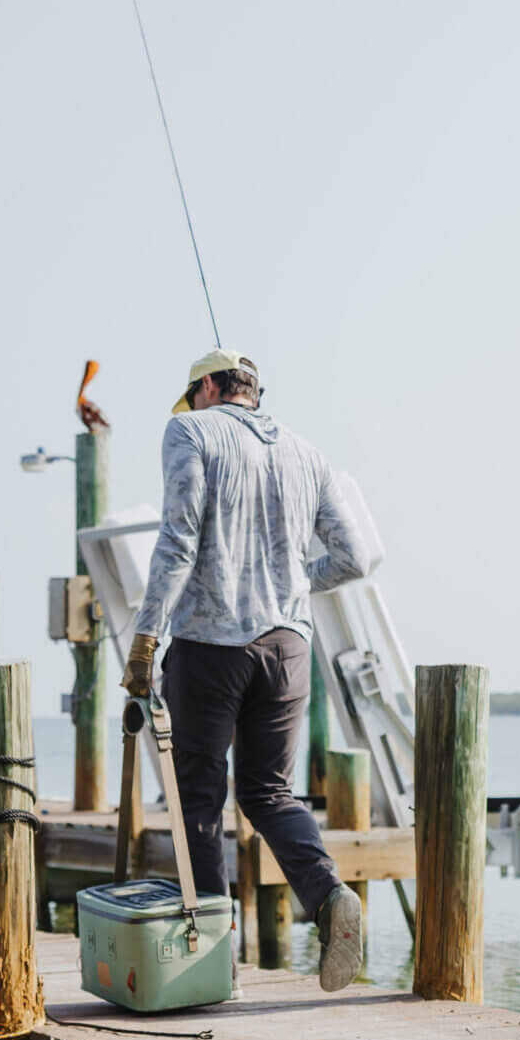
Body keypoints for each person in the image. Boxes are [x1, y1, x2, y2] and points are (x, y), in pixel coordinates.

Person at [123, 349, 372, 991]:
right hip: (288, 646)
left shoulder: (189, 431)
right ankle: (329, 896)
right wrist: (291, 585)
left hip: (211, 645)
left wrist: (145, 640)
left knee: (200, 797)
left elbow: (177, 538)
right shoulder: (308, 451)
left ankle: (210, 964)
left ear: (207, 387)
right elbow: (356, 555)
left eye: (193, 395)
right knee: (268, 793)